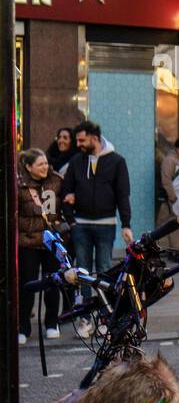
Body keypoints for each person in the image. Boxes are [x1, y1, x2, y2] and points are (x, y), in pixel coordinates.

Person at [63, 121, 132, 313]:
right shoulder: (77, 161)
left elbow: (122, 194)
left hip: (105, 224)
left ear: (95, 138)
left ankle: (105, 314)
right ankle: (85, 316)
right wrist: (71, 221)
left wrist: (126, 224)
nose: (79, 144)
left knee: (104, 270)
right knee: (83, 272)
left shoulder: (117, 161)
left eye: (82, 140)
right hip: (81, 225)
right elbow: (66, 190)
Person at [17, 149, 66, 343]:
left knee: (53, 284)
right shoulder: (20, 186)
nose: (45, 167)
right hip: (28, 243)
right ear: (29, 167)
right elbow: (16, 215)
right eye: (40, 164)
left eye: (46, 163)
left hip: (51, 242)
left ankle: (51, 323)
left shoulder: (56, 181)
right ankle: (23, 327)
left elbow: (62, 209)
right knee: (27, 285)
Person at [157, 137, 179, 252]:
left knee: (177, 225)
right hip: (174, 200)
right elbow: (166, 180)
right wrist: (173, 198)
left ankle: (177, 249)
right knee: (171, 225)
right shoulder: (170, 160)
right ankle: (173, 250)